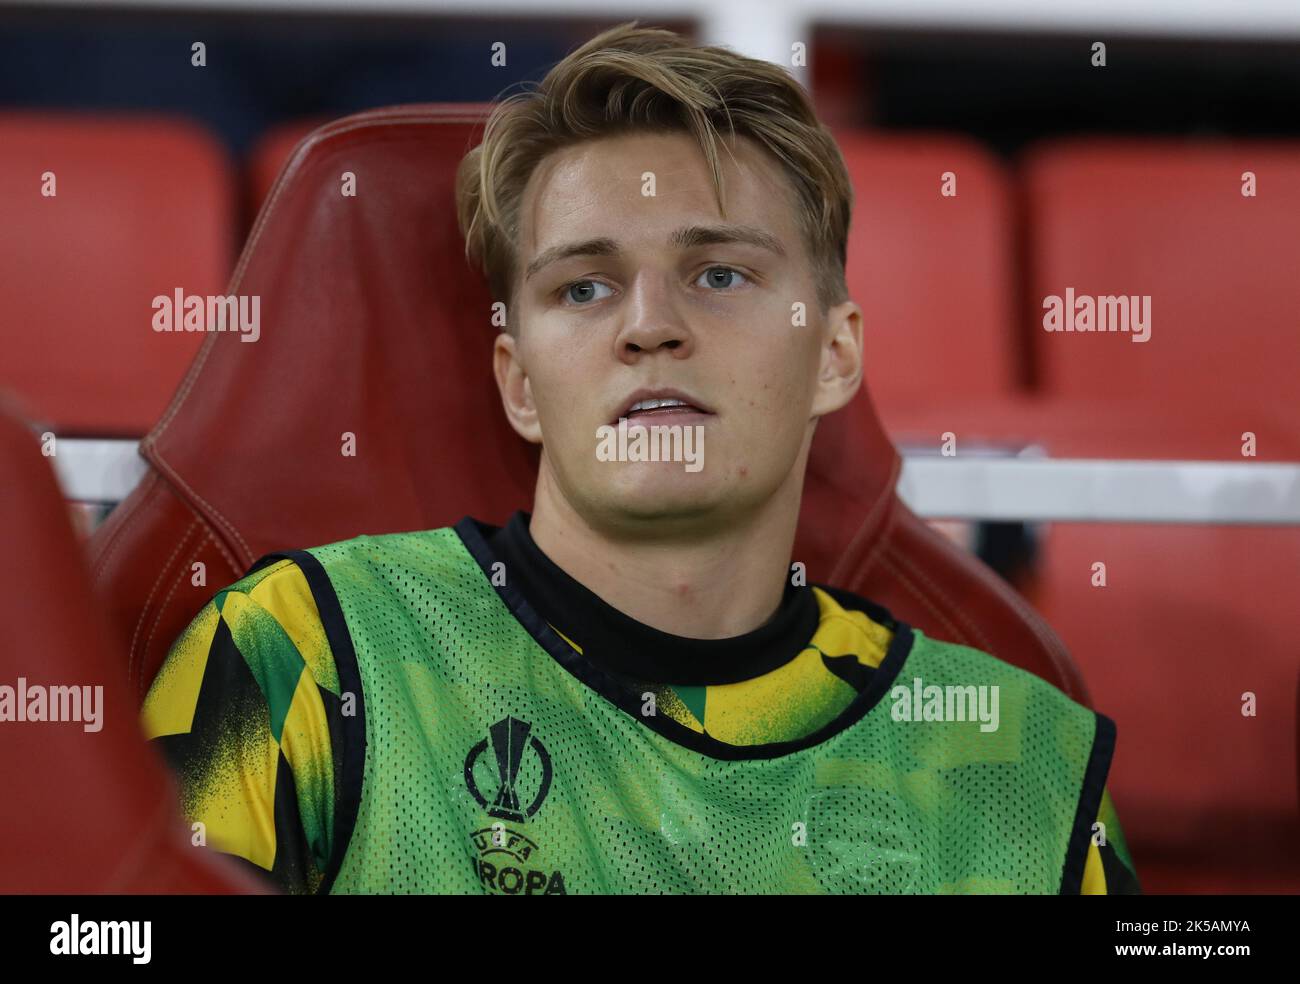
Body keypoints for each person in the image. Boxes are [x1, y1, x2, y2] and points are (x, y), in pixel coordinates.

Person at [141, 21, 1140, 895]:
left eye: (716, 273)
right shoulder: (298, 658)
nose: (650, 325)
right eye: (583, 288)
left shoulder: (1023, 762)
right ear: (518, 381)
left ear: (833, 354)